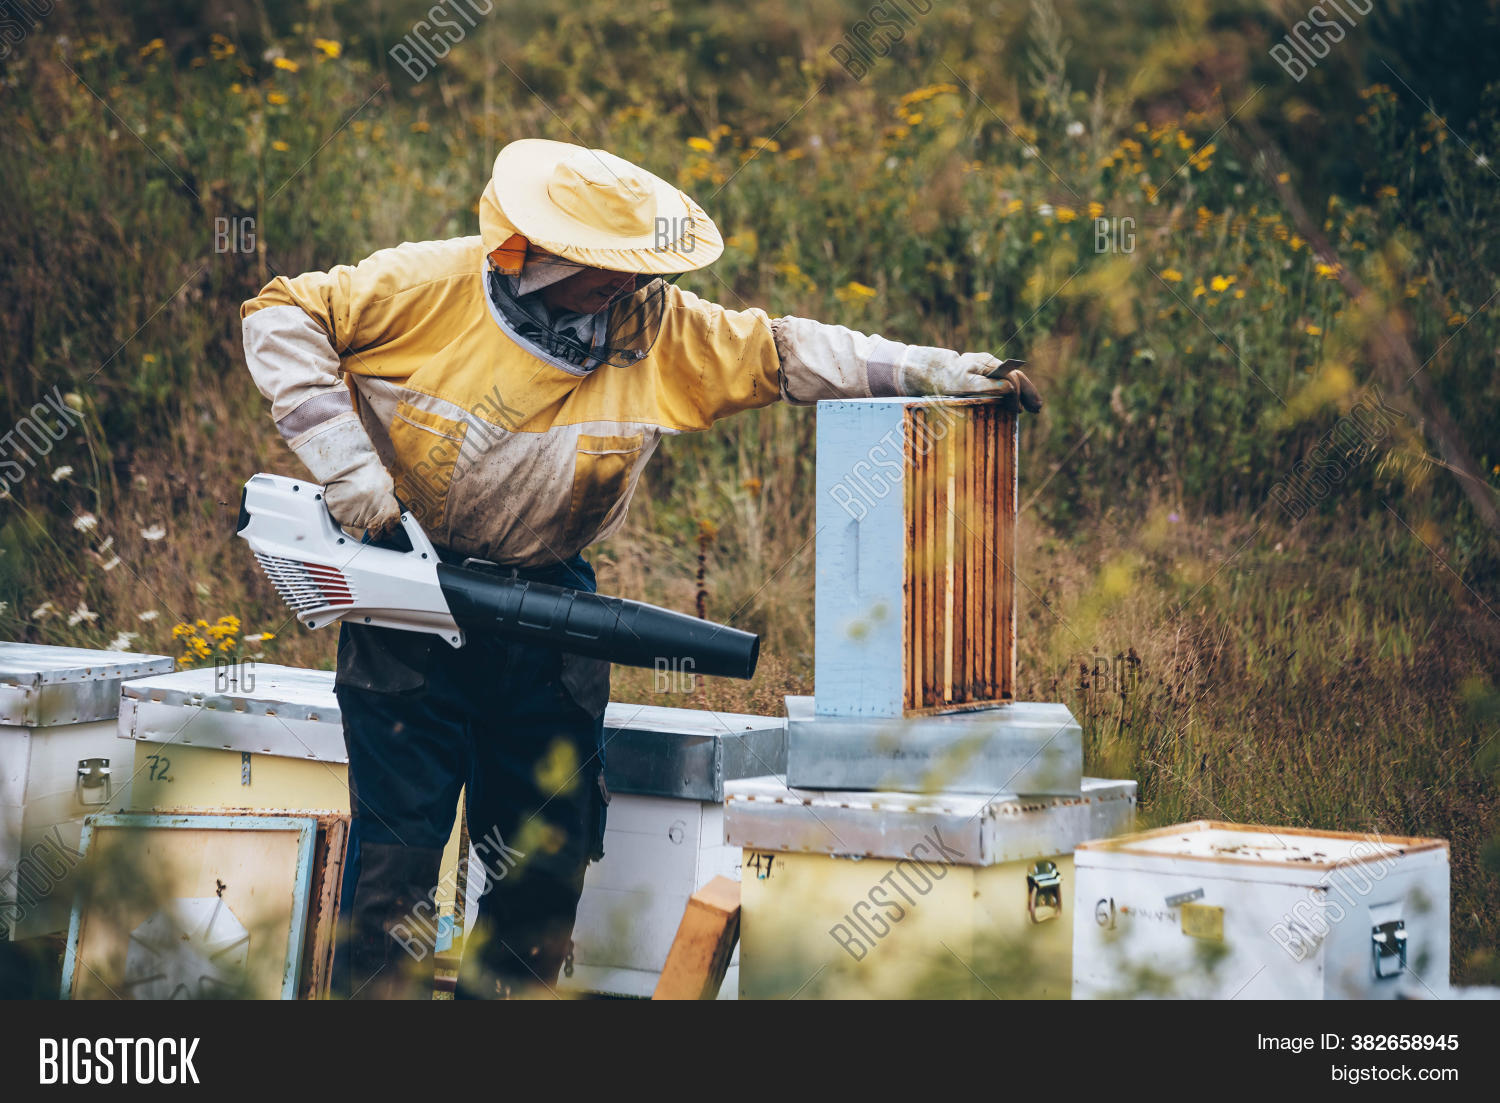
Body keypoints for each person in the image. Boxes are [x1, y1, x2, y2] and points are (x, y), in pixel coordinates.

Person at [240, 138, 1042, 999]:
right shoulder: (425, 287)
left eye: (638, 271)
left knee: (544, 856)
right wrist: (349, 468)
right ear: (537, 257)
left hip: (549, 610)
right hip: (403, 601)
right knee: (395, 863)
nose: (631, 288)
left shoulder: (660, 329)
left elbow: (786, 354)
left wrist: (934, 369)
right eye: (608, 270)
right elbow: (280, 313)